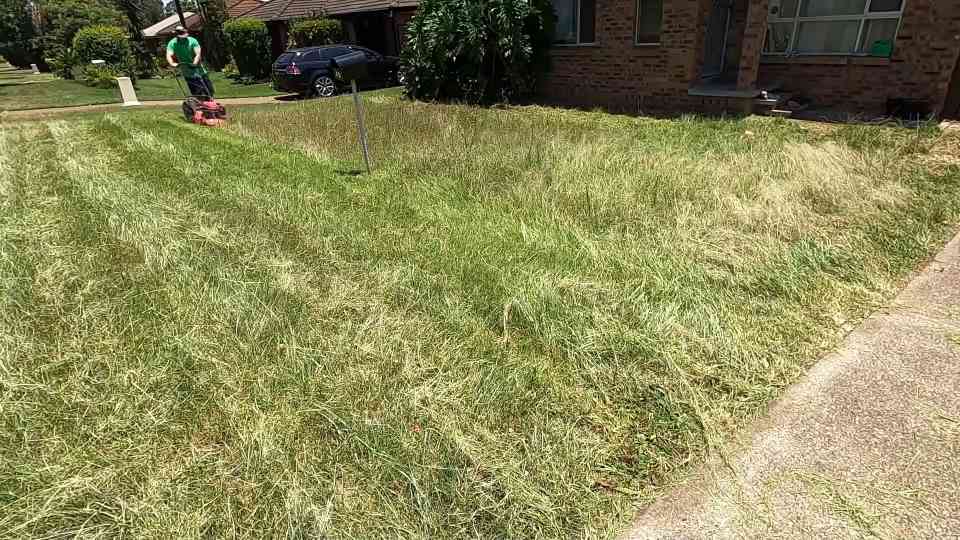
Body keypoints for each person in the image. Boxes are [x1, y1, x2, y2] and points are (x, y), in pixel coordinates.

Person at [166, 26, 215, 98]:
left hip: (199, 70)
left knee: (210, 91)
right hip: (187, 73)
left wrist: (194, 63)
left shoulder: (193, 41)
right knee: (197, 94)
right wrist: (172, 63)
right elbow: (169, 55)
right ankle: (201, 106)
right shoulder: (172, 43)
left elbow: (197, 54)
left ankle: (211, 106)